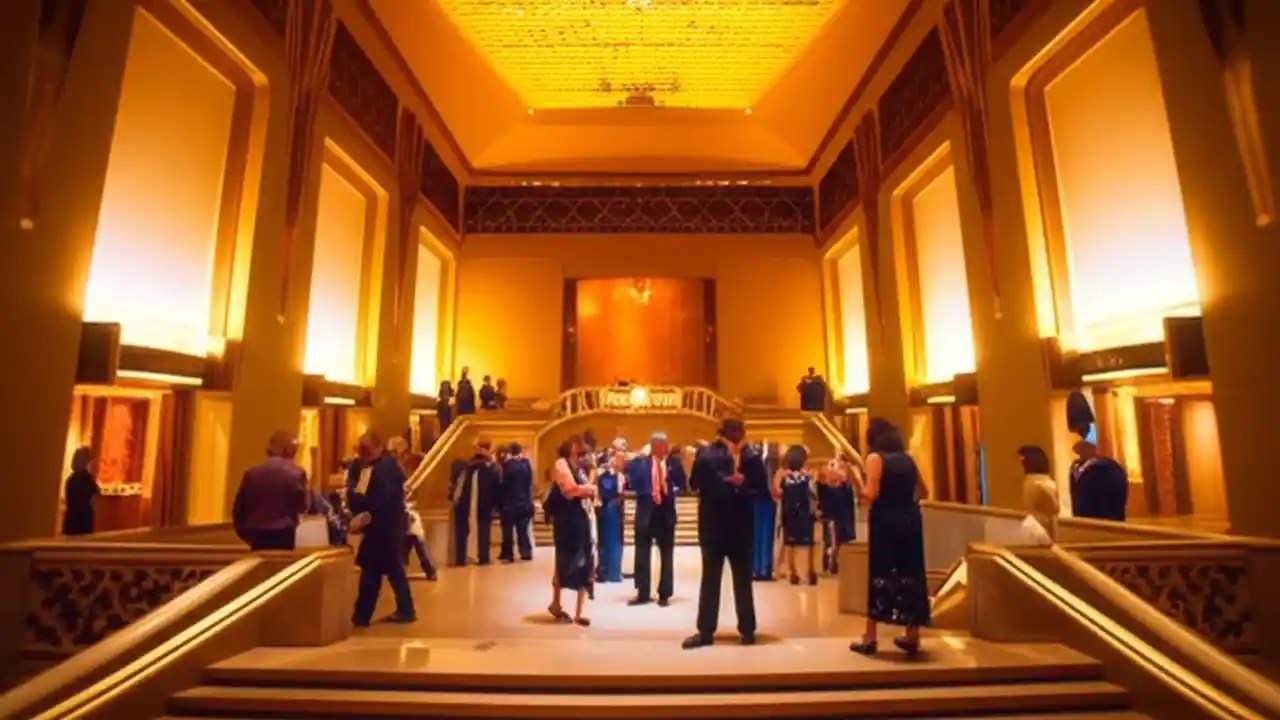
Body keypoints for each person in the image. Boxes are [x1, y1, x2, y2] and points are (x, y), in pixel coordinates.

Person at [683, 419, 768, 649]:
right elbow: (698, 484)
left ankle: (731, 630)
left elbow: (760, 488)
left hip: (727, 525)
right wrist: (733, 483)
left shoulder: (748, 456)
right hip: (724, 524)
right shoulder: (714, 455)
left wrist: (742, 483)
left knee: (730, 580)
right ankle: (733, 631)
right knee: (723, 580)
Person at [850, 419, 930, 657]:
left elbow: (870, 494)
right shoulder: (909, 458)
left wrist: (855, 479)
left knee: (880, 573)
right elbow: (924, 491)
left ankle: (870, 637)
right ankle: (912, 635)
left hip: (886, 521)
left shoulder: (875, 459)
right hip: (910, 519)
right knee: (911, 573)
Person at [349, 432, 416, 627]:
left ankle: (362, 616)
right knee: (389, 570)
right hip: (382, 528)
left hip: (383, 527)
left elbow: (379, 498)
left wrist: (366, 512)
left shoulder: (385, 468)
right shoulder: (370, 467)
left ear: (378, 448)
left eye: (366, 448)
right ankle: (403, 609)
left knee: (375, 571)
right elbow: (359, 493)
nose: (362, 453)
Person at [628, 433, 685, 606]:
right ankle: (642, 592)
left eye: (666, 445)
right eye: (662, 445)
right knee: (642, 555)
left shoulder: (672, 463)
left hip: (665, 514)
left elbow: (683, 483)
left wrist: (672, 473)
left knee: (667, 555)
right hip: (646, 514)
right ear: (654, 446)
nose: (665, 448)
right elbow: (635, 483)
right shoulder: (640, 464)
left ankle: (664, 594)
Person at [547, 435, 597, 626]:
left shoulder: (580, 467)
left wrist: (589, 482)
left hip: (581, 519)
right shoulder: (561, 464)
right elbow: (569, 491)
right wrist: (589, 489)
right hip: (567, 520)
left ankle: (579, 612)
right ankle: (556, 603)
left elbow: (582, 488)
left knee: (585, 562)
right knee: (564, 561)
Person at [233, 431, 308, 551]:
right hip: (284, 534)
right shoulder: (296, 474)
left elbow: (239, 510)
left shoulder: (251, 474)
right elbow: (302, 506)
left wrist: (246, 534)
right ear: (287, 450)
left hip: (256, 534)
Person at [449, 439, 500, 565]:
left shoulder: (465, 467)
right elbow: (496, 488)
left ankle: (460, 558)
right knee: (484, 530)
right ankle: (483, 556)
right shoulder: (490, 469)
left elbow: (453, 485)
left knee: (462, 531)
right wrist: (496, 505)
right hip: (484, 505)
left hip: (463, 504)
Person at [775, 445, 818, 586]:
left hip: (789, 511)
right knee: (809, 542)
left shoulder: (783, 475)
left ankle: (792, 571)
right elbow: (813, 494)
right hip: (804, 511)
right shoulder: (808, 476)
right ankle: (811, 570)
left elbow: (776, 491)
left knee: (790, 542)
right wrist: (814, 509)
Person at [1070, 440, 1129, 522]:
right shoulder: (1077, 468)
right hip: (1087, 517)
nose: (1081, 453)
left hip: (1103, 515)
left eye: (1084, 449)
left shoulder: (1107, 467)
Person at [818, 456, 858, 574]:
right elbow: (822, 477)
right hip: (831, 519)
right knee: (831, 542)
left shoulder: (847, 487)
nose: (837, 470)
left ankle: (838, 564)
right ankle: (830, 564)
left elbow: (852, 479)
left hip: (845, 519)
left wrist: (849, 470)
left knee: (843, 543)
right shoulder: (824, 487)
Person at [499, 443, 535, 562]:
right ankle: (525, 552)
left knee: (507, 530)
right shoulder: (526, 465)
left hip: (509, 503)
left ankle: (508, 553)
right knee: (522, 529)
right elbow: (529, 484)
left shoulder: (507, 466)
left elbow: (504, 485)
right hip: (524, 502)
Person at [595, 450, 625, 583]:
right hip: (613, 510)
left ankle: (604, 571)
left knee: (603, 541)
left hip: (603, 509)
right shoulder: (619, 476)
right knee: (615, 541)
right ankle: (614, 573)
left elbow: (597, 494)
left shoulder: (599, 476)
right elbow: (621, 495)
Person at [1018, 445, 1060, 540]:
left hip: (1042, 527)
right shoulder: (1031, 480)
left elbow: (1054, 508)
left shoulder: (1043, 483)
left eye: (1024, 460)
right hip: (1033, 526)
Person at [751, 442, 778, 582]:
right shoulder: (771, 462)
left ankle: (758, 568)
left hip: (757, 500)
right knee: (764, 535)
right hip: (764, 501)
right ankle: (763, 568)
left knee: (759, 535)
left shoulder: (751, 459)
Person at [62, 446, 100, 536]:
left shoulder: (83, 480)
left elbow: (95, 498)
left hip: (79, 521)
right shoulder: (74, 480)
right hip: (77, 521)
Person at [404, 506, 438, 580]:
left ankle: (431, 571)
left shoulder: (405, 511)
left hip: (410, 530)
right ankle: (431, 571)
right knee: (420, 551)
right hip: (415, 530)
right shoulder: (410, 511)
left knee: (404, 552)